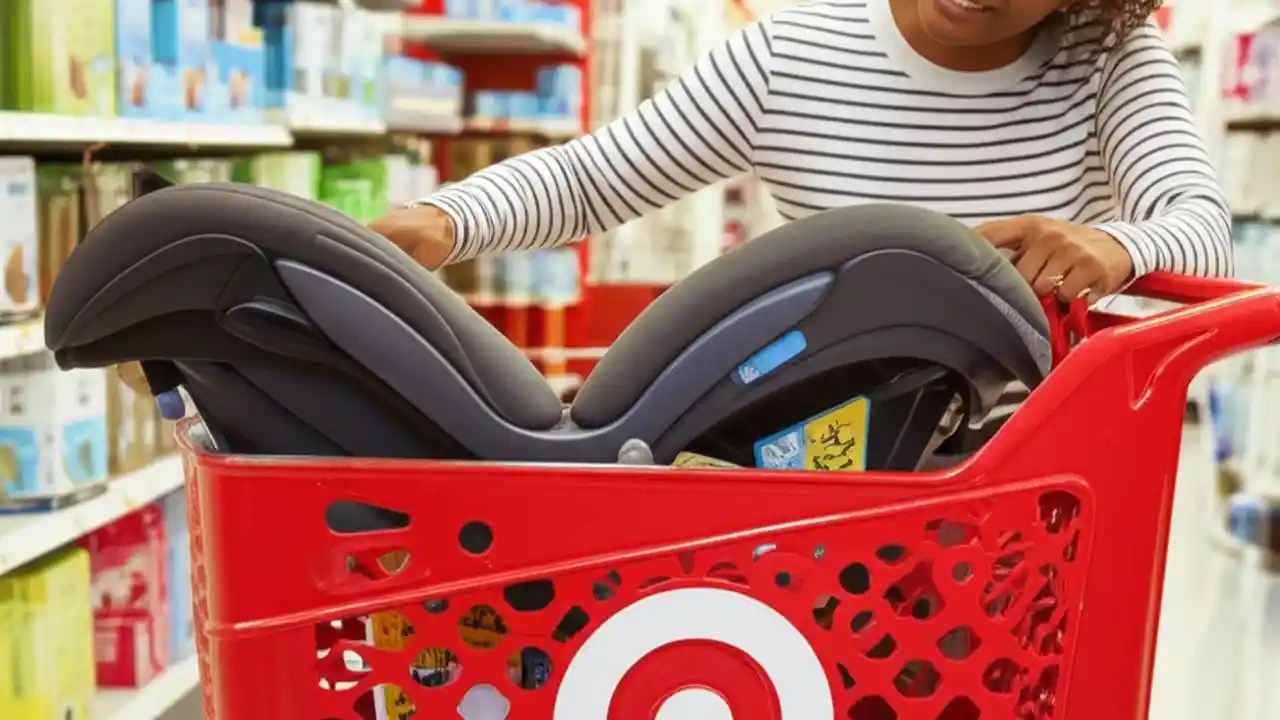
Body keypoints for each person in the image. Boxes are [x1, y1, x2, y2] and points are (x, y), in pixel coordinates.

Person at [372, 0, 1233, 304]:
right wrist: (448, 220)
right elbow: (593, 180)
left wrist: (1118, 246)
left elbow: (1202, 229)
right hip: (835, 460)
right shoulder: (791, 56)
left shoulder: (1110, 59)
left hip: (1036, 478)